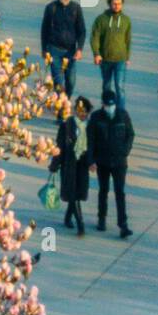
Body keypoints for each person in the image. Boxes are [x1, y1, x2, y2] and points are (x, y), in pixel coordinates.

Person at [87, 90, 134, 238]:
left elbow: (130, 134)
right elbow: (91, 141)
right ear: (103, 104)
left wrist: (125, 151)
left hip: (119, 161)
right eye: (107, 105)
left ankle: (123, 224)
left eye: (112, 105)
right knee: (103, 190)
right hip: (102, 161)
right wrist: (91, 160)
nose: (110, 107)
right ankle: (102, 218)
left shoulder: (123, 115)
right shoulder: (96, 118)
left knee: (120, 192)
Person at [50, 96, 93, 236]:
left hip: (83, 164)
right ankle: (81, 224)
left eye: (84, 111)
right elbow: (60, 146)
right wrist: (55, 164)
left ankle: (68, 217)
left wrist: (92, 162)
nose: (82, 114)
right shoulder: (66, 125)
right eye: (79, 110)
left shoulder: (90, 127)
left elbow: (93, 147)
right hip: (69, 164)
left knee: (77, 194)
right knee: (73, 194)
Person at [41, 0, 86, 96]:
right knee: (58, 81)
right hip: (54, 50)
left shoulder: (76, 8)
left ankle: (66, 100)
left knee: (71, 81)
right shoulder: (51, 8)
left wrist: (79, 49)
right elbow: (44, 30)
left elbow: (82, 31)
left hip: (70, 51)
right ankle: (61, 105)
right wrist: (44, 49)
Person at [90, 0, 131, 109]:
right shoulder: (101, 19)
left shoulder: (126, 20)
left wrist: (127, 57)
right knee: (106, 86)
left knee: (119, 86)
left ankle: (121, 112)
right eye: (114, 4)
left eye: (119, 4)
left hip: (120, 60)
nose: (117, 6)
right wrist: (96, 54)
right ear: (109, 4)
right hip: (105, 59)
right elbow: (94, 37)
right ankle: (106, 108)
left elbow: (128, 40)